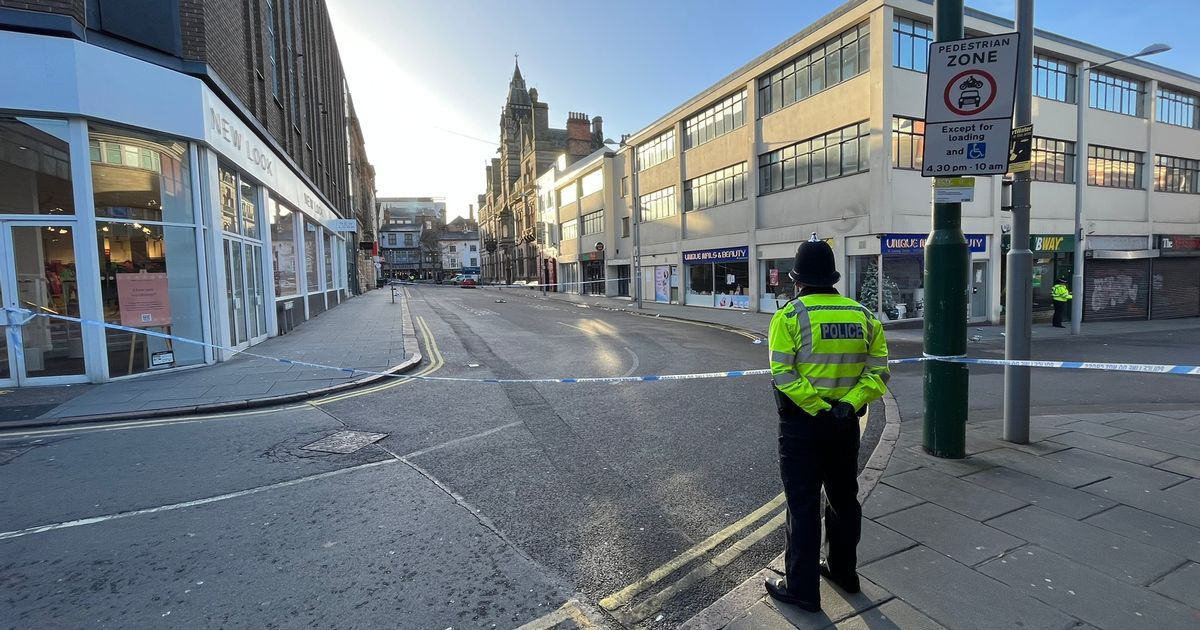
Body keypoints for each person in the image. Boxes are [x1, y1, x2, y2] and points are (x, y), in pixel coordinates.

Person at [764, 234, 890, 612]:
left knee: (802, 506)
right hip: (845, 426)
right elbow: (879, 373)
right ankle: (843, 572)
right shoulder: (863, 315)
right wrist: (848, 406)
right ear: (833, 278)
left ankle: (801, 590)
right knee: (843, 500)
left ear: (796, 279)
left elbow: (783, 374)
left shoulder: (789, 317)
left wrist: (818, 407)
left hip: (803, 426)